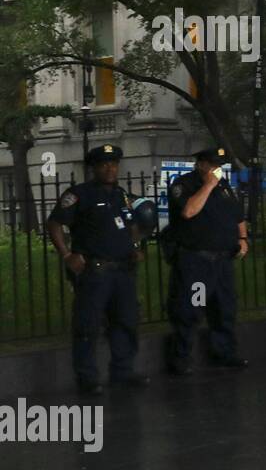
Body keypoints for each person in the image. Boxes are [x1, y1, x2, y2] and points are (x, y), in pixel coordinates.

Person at [46, 144, 149, 395]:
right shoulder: (79, 194)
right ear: (93, 167)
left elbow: (131, 225)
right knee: (87, 325)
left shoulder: (122, 195)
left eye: (114, 164)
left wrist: (134, 245)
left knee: (125, 321)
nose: (110, 168)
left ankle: (122, 371)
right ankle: (87, 377)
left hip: (123, 270)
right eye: (104, 164)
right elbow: (55, 223)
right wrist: (67, 254)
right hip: (95, 271)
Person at [165, 146, 250, 375]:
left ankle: (225, 353)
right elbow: (189, 212)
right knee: (191, 308)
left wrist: (242, 237)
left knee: (224, 308)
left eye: (219, 166)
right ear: (201, 164)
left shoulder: (224, 188)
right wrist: (208, 185)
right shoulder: (185, 185)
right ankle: (182, 357)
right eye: (213, 165)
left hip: (222, 261)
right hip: (197, 261)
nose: (217, 170)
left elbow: (237, 215)